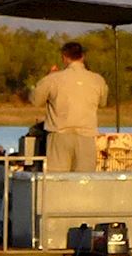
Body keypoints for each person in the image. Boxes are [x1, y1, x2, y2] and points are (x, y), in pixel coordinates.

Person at [30, 41, 108, 172]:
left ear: (64, 57)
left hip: (59, 136)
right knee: (84, 180)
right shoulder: (98, 80)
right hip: (86, 137)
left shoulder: (53, 78)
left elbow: (35, 100)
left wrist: (47, 77)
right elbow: (103, 103)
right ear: (83, 57)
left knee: (57, 179)